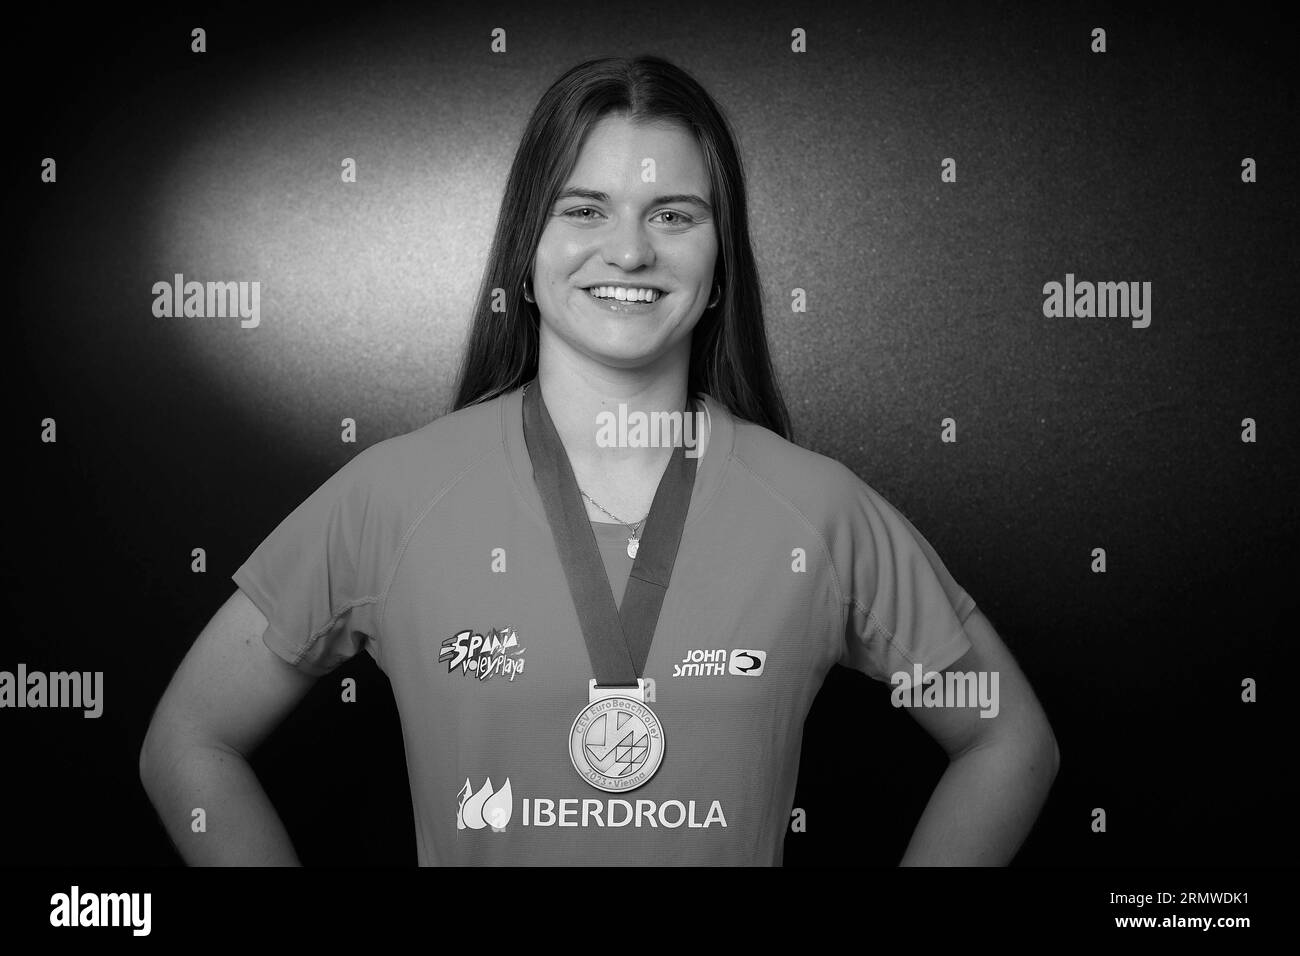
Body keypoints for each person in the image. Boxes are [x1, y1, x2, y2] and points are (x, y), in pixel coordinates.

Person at [139, 54, 1058, 866]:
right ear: (526, 247)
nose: (629, 248)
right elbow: (188, 742)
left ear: (720, 263)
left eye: (674, 214)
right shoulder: (395, 495)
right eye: (584, 208)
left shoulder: (816, 511)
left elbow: (1009, 741)